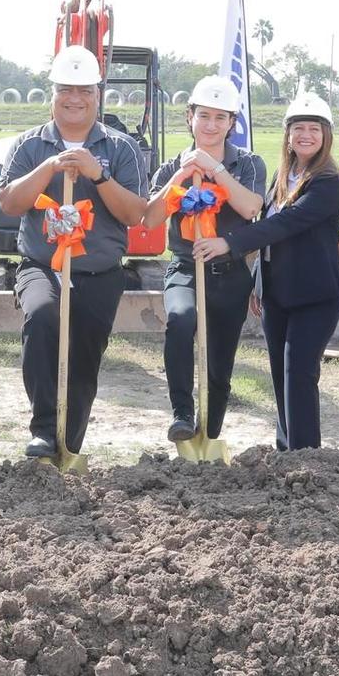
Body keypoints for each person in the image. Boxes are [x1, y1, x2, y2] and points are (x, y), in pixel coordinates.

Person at [0, 45, 147, 458]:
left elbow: (135, 214)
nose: (75, 98)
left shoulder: (121, 148)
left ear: (98, 95)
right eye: (66, 89)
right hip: (42, 266)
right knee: (43, 317)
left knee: (84, 353)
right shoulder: (29, 146)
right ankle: (44, 429)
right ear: (53, 94)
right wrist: (48, 168)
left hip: (99, 271)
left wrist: (98, 176)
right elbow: (9, 203)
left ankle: (70, 441)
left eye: (84, 90)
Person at [193, 92, 339, 450]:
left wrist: (229, 242)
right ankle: (285, 452)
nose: (305, 135)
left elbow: (287, 225)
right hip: (276, 294)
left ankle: (306, 456)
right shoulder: (285, 174)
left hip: (315, 296)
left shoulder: (328, 182)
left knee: (298, 373)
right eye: (298, 128)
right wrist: (257, 283)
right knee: (280, 374)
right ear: (288, 134)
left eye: (313, 128)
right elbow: (268, 228)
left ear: (326, 135)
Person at [142, 74, 265, 442]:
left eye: (220, 118)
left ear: (231, 123)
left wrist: (215, 169)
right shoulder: (171, 167)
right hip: (184, 267)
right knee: (180, 320)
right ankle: (181, 414)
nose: (211, 125)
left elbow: (250, 207)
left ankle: (209, 433)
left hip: (230, 273)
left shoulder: (248, 164)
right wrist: (182, 173)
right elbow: (149, 218)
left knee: (219, 359)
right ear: (190, 117)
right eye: (204, 116)